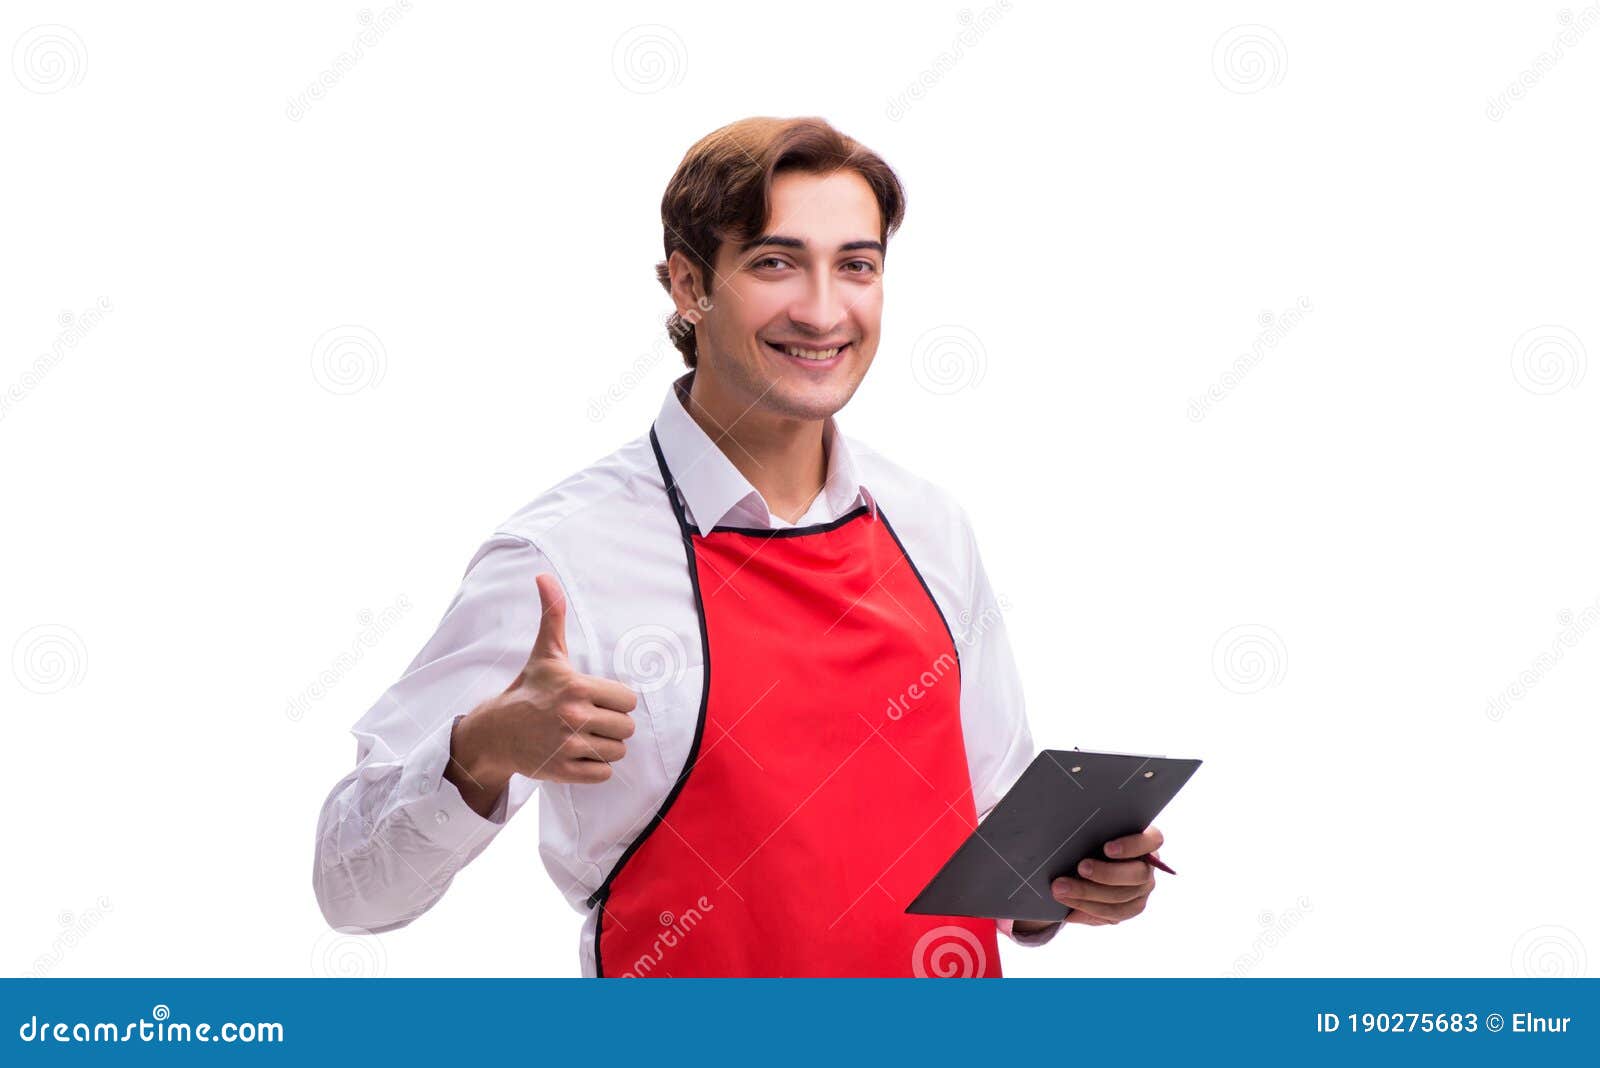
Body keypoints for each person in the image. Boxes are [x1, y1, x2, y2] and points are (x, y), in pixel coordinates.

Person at [312, 116, 1166, 977]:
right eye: (775, 262)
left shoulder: (930, 525)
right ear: (689, 286)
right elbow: (351, 894)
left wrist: (1069, 887)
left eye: (856, 266)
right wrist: (481, 752)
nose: (824, 310)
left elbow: (990, 829)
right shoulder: (565, 556)